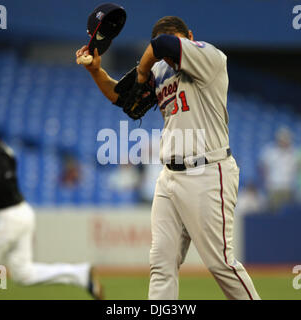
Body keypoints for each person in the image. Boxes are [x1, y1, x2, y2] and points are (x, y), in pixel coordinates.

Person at [77, 15, 260, 300]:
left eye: (180, 40)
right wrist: (95, 71)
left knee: (220, 263)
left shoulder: (208, 56)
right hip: (169, 177)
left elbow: (163, 44)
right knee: (161, 264)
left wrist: (142, 71)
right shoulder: (160, 69)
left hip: (208, 171)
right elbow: (124, 100)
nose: (172, 53)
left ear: (190, 34)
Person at [0, 105, 103, 300]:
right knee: (24, 274)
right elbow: (1, 178)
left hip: (1, 217)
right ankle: (80, 275)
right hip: (19, 213)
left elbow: (3, 186)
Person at [259, 127, 298, 212]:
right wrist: (267, 181)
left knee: (289, 212)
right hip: (274, 187)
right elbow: (263, 167)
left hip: (288, 187)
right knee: (275, 211)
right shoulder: (270, 151)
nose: (284, 141)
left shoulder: (293, 152)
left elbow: (297, 169)